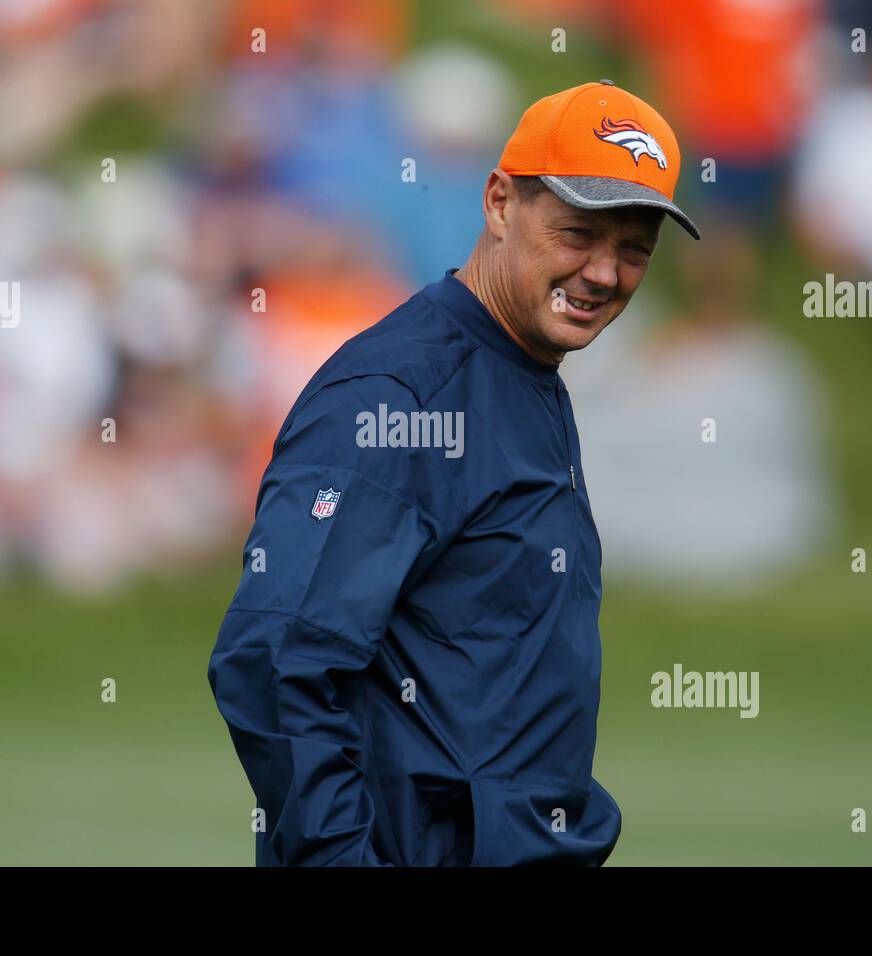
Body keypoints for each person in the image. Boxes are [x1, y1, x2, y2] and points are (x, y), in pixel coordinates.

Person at [206, 79, 700, 866]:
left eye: (634, 248)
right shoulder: (400, 398)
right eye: (578, 234)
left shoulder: (524, 369)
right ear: (500, 203)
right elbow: (274, 660)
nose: (605, 273)